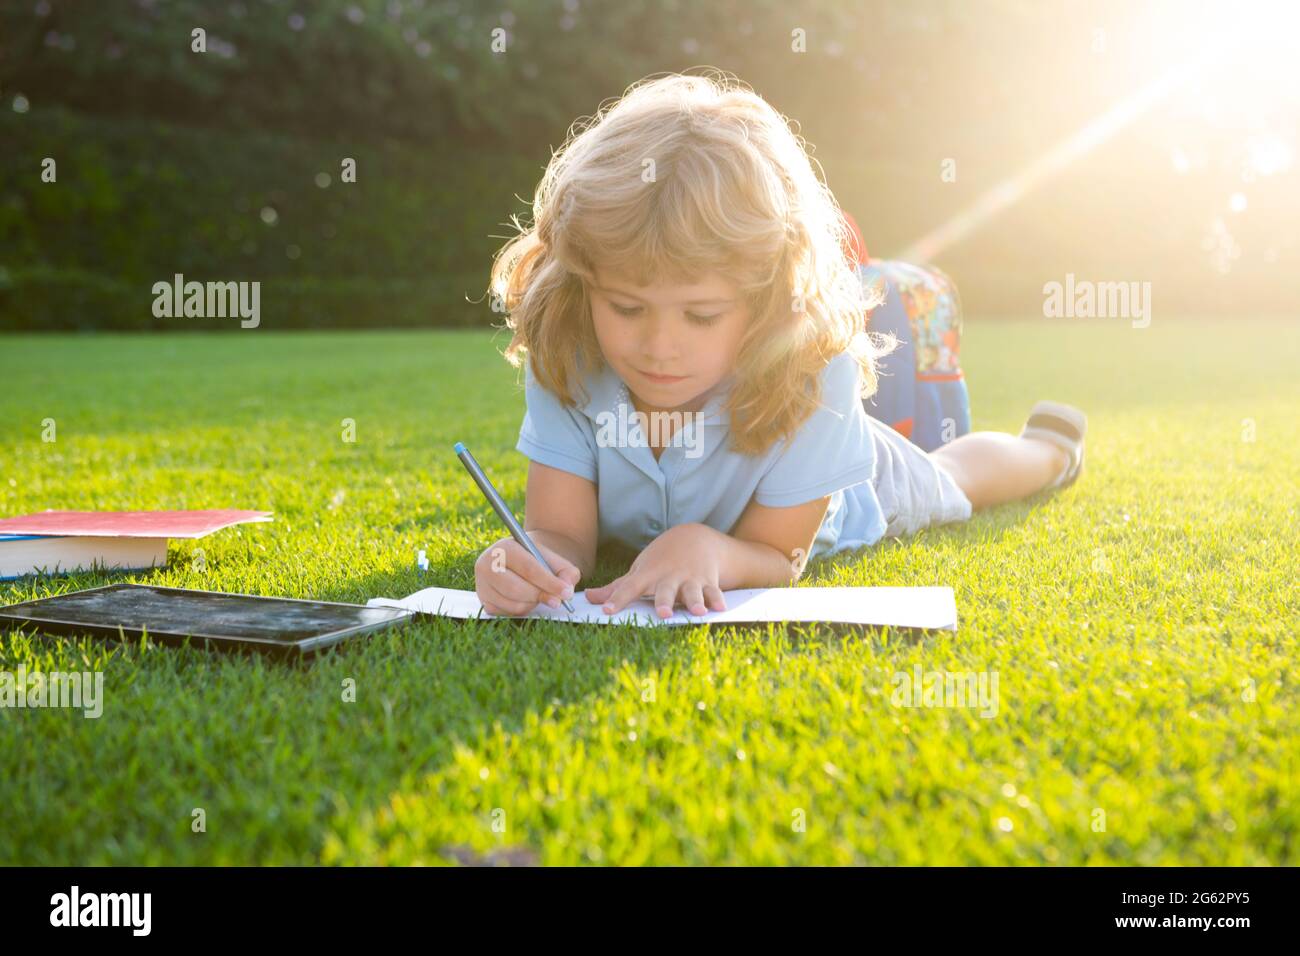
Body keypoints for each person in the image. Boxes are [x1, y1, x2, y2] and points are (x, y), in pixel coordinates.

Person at [476, 71, 1086, 619]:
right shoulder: (569, 353)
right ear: (583, 282)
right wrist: (528, 560)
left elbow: (780, 554)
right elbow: (560, 534)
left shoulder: (816, 376)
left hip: (844, 495)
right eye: (627, 307)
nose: (659, 346)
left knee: (953, 477)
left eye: (702, 314)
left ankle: (1050, 451)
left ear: (768, 296)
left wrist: (709, 547)